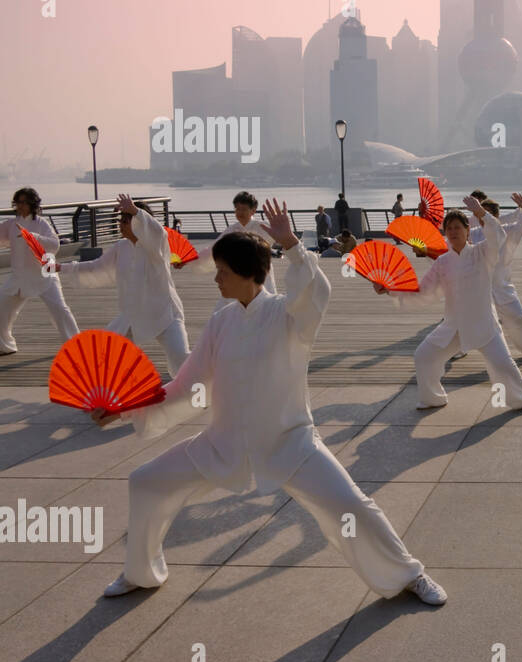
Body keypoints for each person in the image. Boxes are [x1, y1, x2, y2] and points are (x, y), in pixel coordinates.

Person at [88, 199, 447, 606]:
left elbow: (315, 291)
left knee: (351, 506)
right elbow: (185, 385)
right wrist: (123, 407)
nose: (216, 280)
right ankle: (141, 572)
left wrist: (293, 245)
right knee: (145, 482)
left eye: (223, 272)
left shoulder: (288, 317)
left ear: (248, 275)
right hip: (222, 445)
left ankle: (409, 575)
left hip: (289, 442)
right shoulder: (221, 322)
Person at [377, 194, 522, 412]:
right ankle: (432, 398)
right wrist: (390, 290)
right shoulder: (443, 262)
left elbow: (497, 237)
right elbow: (424, 291)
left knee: (503, 365)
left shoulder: (483, 252)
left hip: (484, 324)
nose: (453, 232)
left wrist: (481, 213)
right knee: (423, 357)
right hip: (454, 326)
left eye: (457, 227)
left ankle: (521, 399)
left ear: (467, 230)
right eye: (449, 228)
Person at [56, 194, 191, 378]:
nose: (122, 224)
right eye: (122, 220)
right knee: (105, 353)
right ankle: (106, 391)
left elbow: (158, 231)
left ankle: (196, 387)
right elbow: (97, 267)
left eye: (127, 221)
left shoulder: (156, 245)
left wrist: (136, 211)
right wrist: (61, 267)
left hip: (165, 312)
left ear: (140, 223)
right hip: (133, 315)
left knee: (181, 356)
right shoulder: (121, 247)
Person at [0, 186, 79, 355]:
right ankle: (4, 345)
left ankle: (75, 346)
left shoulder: (41, 224)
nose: (20, 206)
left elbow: (54, 245)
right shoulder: (11, 224)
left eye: (24, 202)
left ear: (32, 204)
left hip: (44, 275)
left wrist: (34, 237)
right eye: (18, 202)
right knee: (2, 308)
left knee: (59, 309)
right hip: (19, 277)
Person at [188, 192, 277, 310]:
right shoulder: (231, 230)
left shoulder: (262, 227)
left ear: (253, 210)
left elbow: (281, 241)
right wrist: (189, 259)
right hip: (236, 274)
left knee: (263, 307)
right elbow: (213, 249)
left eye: (244, 209)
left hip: (260, 274)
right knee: (227, 310)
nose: (240, 213)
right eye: (237, 209)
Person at [481, 197, 522, 359]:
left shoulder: (508, 232)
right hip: (478, 288)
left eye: (487, 214)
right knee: (465, 320)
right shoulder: (472, 234)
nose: (483, 218)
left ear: (496, 216)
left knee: (517, 316)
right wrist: (426, 249)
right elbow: (451, 247)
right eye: (481, 214)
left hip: (502, 286)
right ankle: (456, 349)